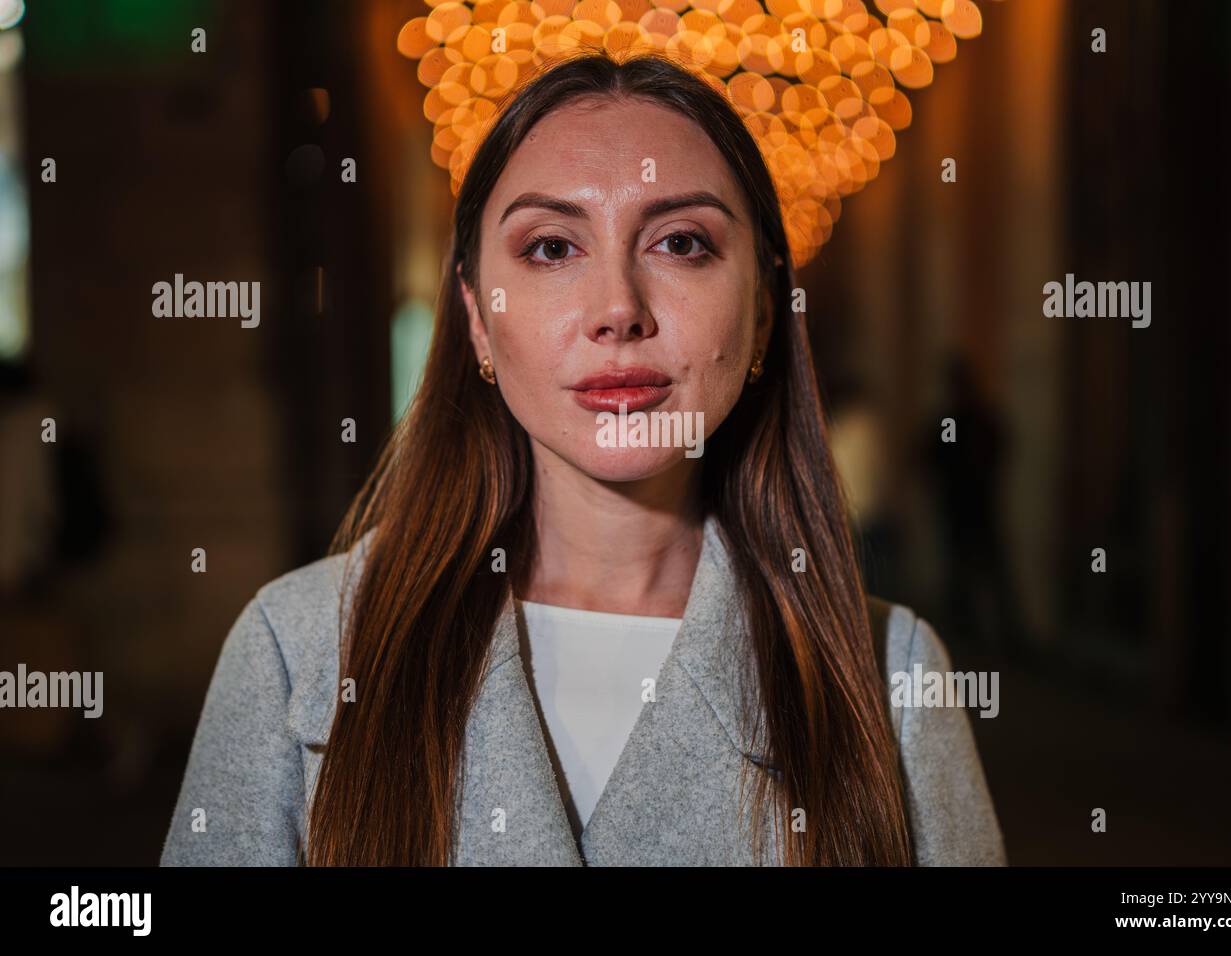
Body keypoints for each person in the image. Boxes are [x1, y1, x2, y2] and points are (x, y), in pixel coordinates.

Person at [160, 51, 1006, 867]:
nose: (618, 310)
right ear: (478, 321)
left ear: (762, 312)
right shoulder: (297, 649)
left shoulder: (895, 676)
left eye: (681, 243)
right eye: (551, 248)